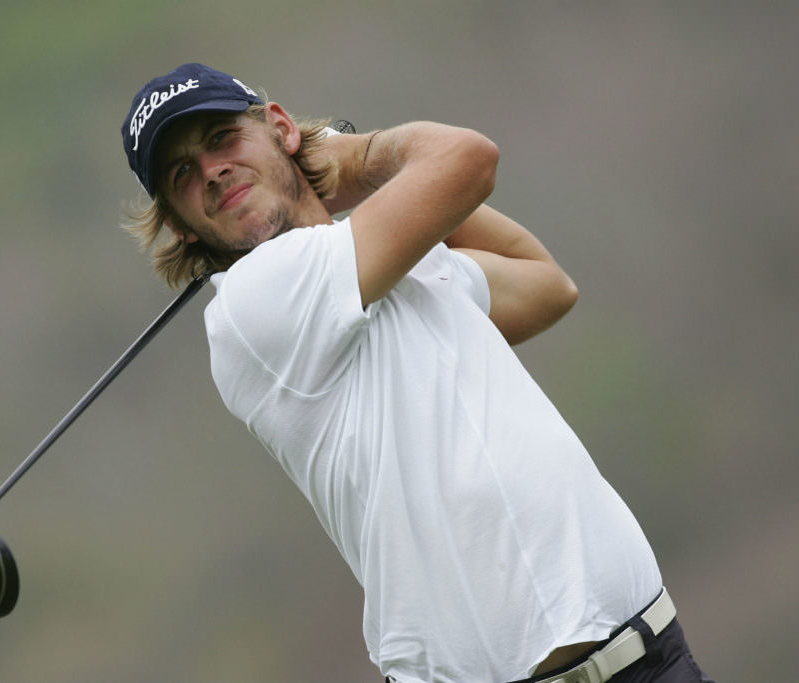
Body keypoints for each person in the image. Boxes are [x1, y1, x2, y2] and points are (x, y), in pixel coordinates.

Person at [120, 63, 713, 683]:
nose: (211, 170)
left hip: (653, 657)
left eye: (222, 138)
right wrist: (354, 163)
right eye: (181, 174)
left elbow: (547, 286)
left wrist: (392, 200)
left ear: (279, 128)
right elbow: (468, 159)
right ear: (182, 223)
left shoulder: (400, 266)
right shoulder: (253, 303)